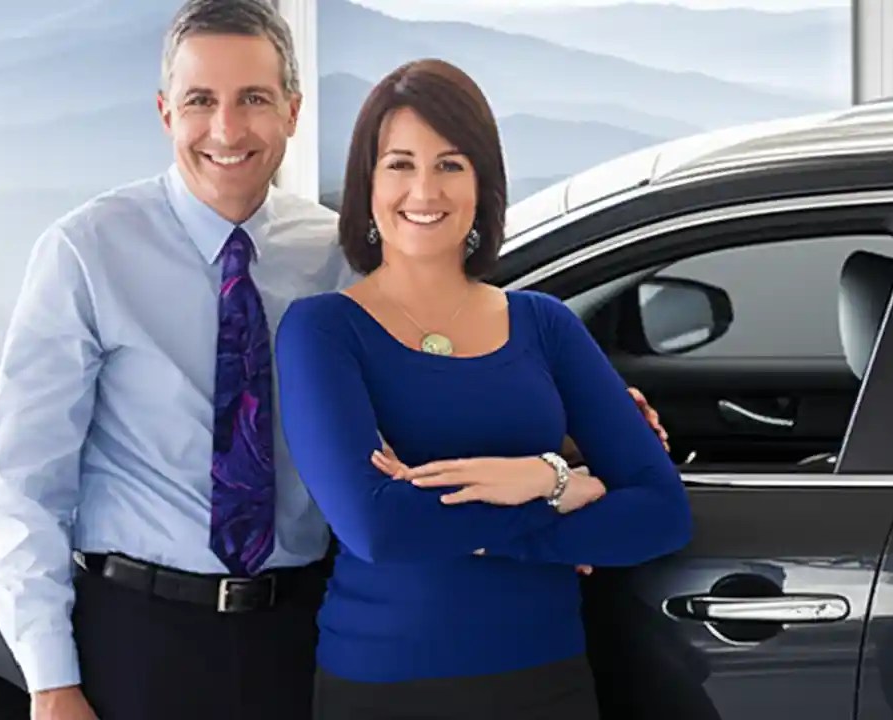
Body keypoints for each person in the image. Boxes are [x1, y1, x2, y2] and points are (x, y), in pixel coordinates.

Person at [0, 2, 670, 719]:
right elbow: (24, 482)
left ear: (293, 111)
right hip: (138, 631)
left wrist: (578, 429)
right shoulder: (86, 253)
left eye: (253, 99)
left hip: (299, 628)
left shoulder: (344, 256)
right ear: (164, 112)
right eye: (200, 101)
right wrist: (50, 681)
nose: (227, 129)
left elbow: (443, 368)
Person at [273, 58, 694, 720]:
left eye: (450, 164)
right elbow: (377, 528)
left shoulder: (544, 325)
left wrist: (536, 481)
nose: (424, 189)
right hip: (384, 685)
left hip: (544, 679)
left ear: (481, 184)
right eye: (400, 164)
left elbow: (662, 513)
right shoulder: (323, 331)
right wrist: (565, 495)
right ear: (368, 184)